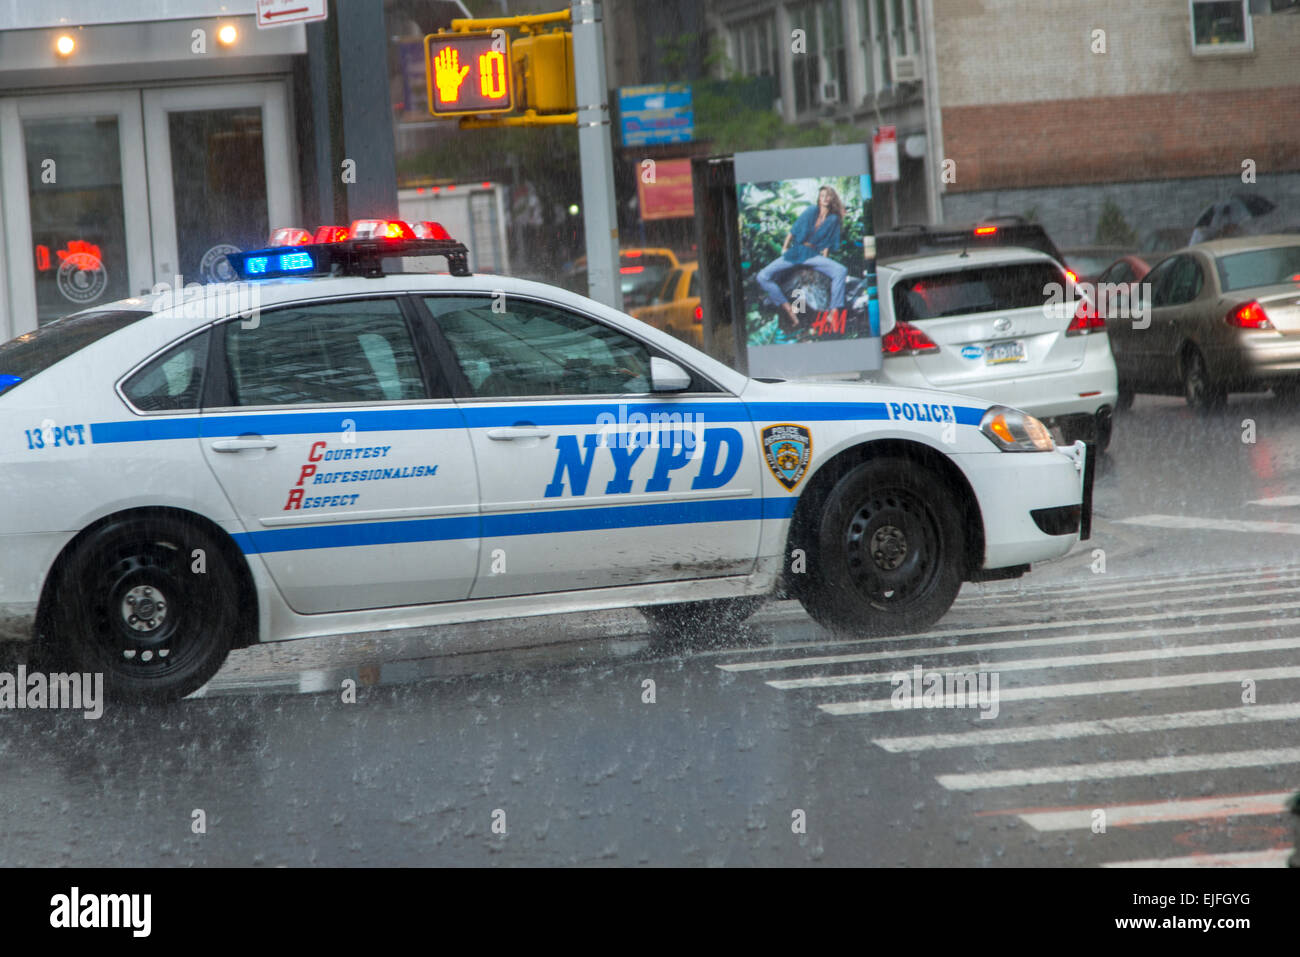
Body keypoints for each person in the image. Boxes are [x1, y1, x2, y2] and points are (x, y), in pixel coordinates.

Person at [755, 185, 848, 331]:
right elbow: (793, 231)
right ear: (819, 198)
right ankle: (787, 308)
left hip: (813, 255)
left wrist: (825, 261)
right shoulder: (811, 211)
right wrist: (785, 247)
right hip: (796, 252)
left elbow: (828, 244)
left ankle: (833, 312)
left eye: (828, 196)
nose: (825, 198)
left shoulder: (833, 219)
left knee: (841, 270)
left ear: (832, 199)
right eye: (822, 195)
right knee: (762, 276)